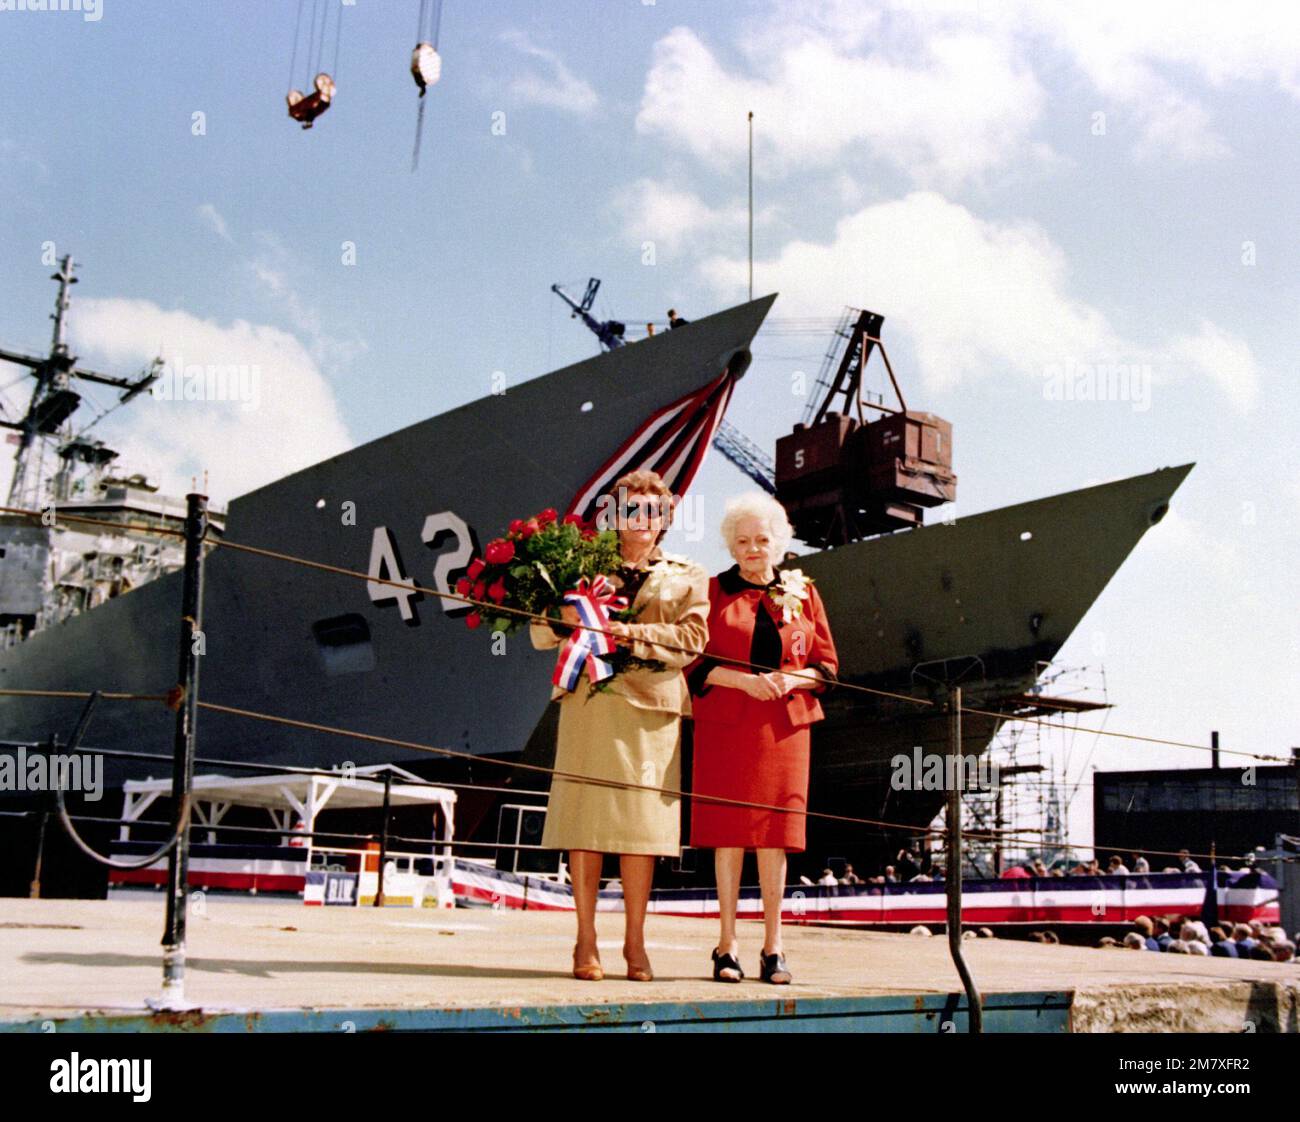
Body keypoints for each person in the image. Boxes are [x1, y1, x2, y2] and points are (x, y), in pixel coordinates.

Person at [530, 470, 708, 982]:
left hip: (651, 713)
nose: (642, 521)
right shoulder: (581, 569)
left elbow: (692, 639)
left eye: (654, 511)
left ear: (666, 519)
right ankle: (585, 940)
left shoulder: (688, 574)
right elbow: (539, 633)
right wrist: (566, 617)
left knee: (640, 830)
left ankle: (635, 941)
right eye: (631, 510)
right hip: (591, 702)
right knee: (584, 823)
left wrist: (622, 633)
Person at [686, 492, 838, 984]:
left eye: (762, 539)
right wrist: (745, 681)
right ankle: (726, 944)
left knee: (775, 837)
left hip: (784, 727)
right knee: (728, 835)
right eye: (744, 540)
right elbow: (692, 662)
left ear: (779, 542)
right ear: (731, 545)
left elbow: (828, 667)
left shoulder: (804, 592)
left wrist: (793, 679)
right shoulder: (711, 590)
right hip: (729, 722)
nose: (754, 548)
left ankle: (774, 945)